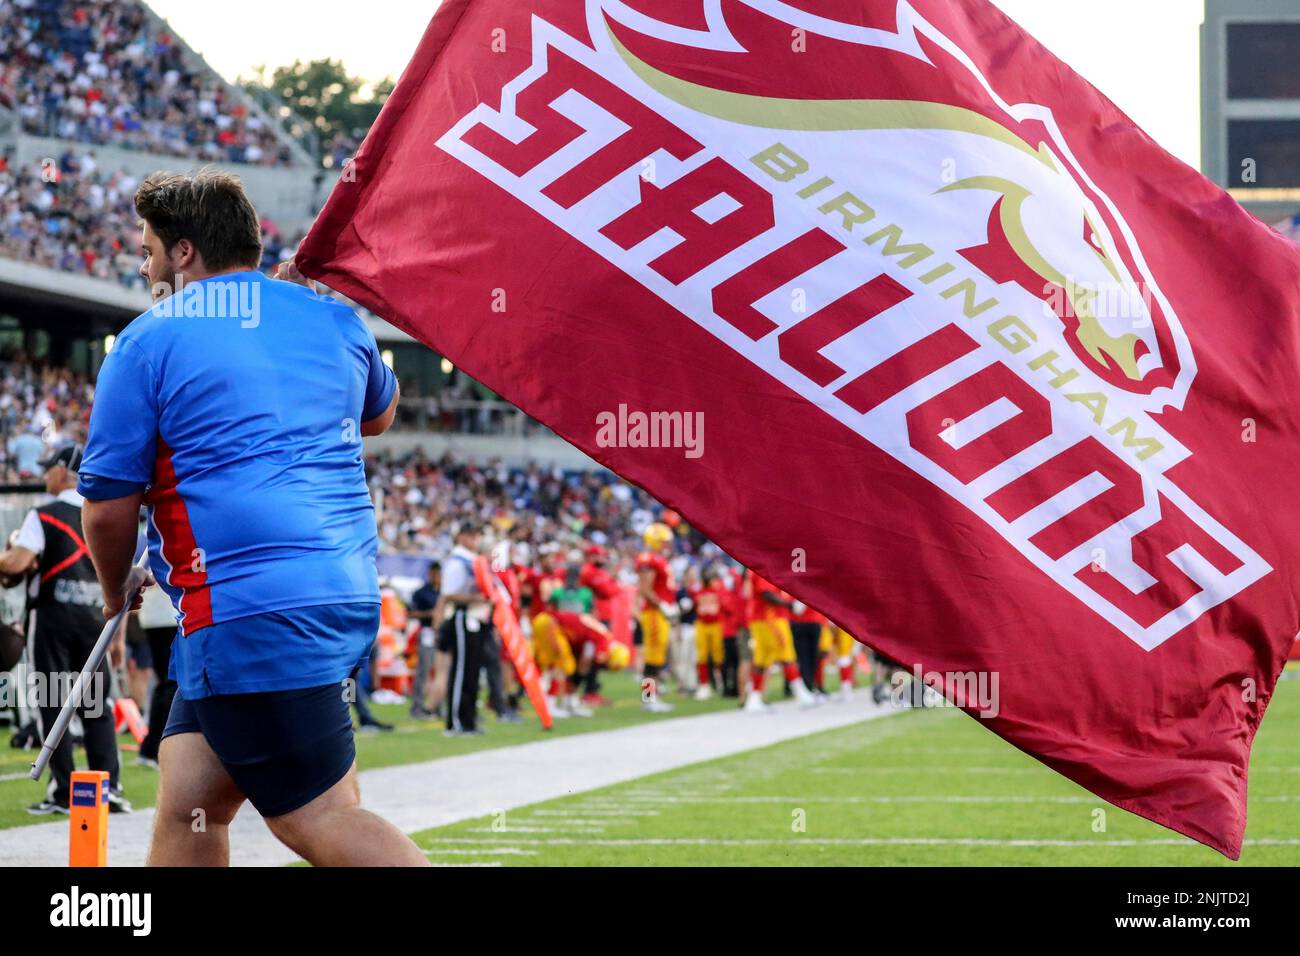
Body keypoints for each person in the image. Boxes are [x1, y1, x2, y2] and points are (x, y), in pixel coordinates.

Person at [76, 170, 426, 866]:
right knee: (190, 804)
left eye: (148, 250)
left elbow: (108, 509)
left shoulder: (148, 341)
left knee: (320, 818)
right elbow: (378, 414)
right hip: (337, 586)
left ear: (183, 252)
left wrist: (115, 595)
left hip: (245, 603)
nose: (144, 267)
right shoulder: (331, 317)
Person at [0, 444, 129, 814]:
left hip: (53, 619)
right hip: (96, 620)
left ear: (63, 470)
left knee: (53, 703)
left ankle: (63, 793)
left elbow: (17, 562)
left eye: (48, 469)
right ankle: (110, 790)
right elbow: (121, 582)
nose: (44, 475)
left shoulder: (44, 515)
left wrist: (6, 558)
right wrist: (117, 637)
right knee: (96, 708)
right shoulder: (104, 516)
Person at [433, 524, 492, 736]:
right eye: (473, 536)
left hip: (475, 618)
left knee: (472, 672)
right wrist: (477, 597)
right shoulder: (457, 562)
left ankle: (469, 720)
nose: (475, 540)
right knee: (461, 671)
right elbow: (448, 594)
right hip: (461, 615)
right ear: (463, 537)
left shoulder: (473, 561)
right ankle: (456, 721)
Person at [408, 563, 440, 719]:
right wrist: (430, 614)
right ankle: (417, 707)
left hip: (442, 634)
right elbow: (411, 614)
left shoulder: (443, 591)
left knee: (441, 672)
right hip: (427, 632)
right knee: (424, 670)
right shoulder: (421, 593)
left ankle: (436, 706)